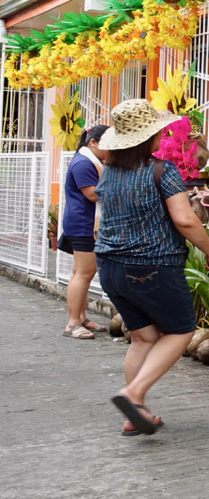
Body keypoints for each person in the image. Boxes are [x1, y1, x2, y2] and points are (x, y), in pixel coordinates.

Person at [95, 99, 209, 436]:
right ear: (147, 137)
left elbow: (102, 220)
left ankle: (135, 413)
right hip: (151, 267)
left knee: (143, 338)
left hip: (109, 266)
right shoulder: (161, 171)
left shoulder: (108, 172)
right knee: (181, 330)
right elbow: (185, 220)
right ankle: (132, 394)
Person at [59, 124, 109, 339]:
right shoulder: (83, 163)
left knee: (80, 273)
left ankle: (81, 318)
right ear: (93, 142)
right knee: (84, 273)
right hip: (83, 225)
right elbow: (92, 194)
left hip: (82, 222)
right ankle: (72, 323)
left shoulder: (89, 160)